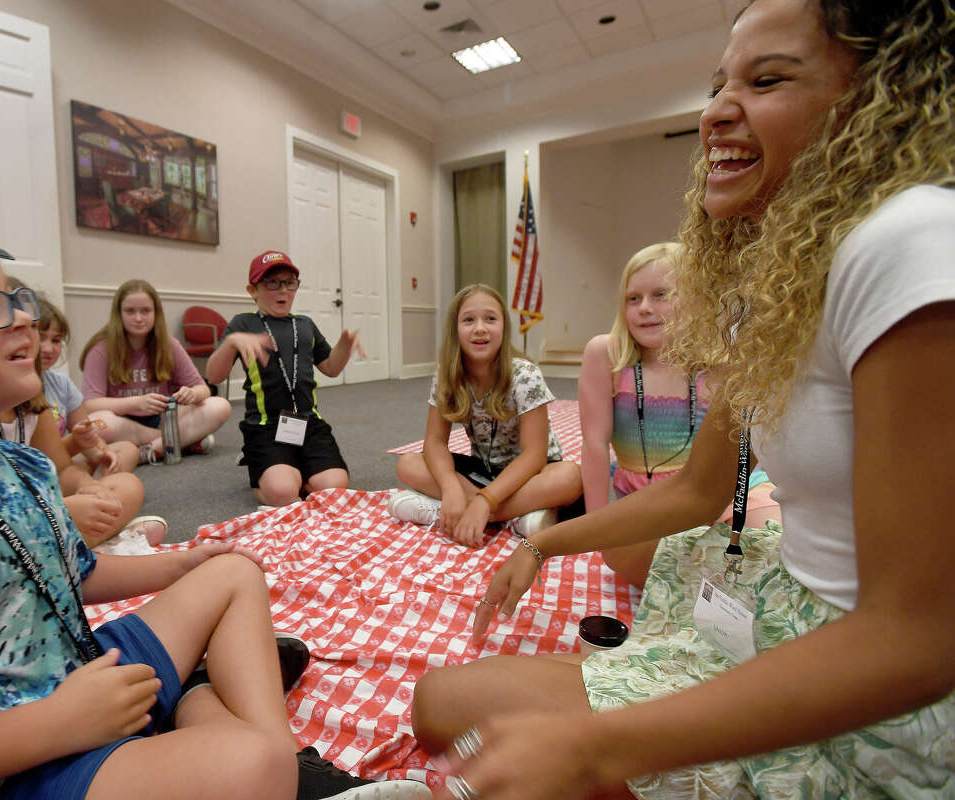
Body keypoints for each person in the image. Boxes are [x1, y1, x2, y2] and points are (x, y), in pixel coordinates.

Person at [411, 1, 955, 798]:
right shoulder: (783, 288)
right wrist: (538, 547)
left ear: (877, 97)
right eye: (717, 85)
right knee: (439, 703)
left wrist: (597, 748)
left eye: (765, 79)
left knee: (526, 761)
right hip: (774, 622)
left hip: (875, 699)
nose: (715, 114)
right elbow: (701, 491)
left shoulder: (908, 240)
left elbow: (921, 639)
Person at [0, 200, 431, 800]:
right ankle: (251, 744)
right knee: (247, 767)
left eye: (14, 294)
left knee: (233, 572)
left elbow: (66, 570)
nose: (22, 317)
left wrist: (177, 567)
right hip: (15, 762)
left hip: (78, 672)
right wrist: (50, 726)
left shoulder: (18, 462)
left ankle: (258, 743)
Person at [577, 243, 779, 587]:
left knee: (772, 548)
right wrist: (594, 529)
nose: (645, 309)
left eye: (661, 295)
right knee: (632, 562)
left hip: (719, 491)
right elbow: (594, 443)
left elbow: (742, 453)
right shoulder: (608, 355)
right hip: (650, 498)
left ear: (697, 299)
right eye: (633, 299)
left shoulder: (719, 364)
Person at [387, 284, 582, 544]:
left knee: (570, 477)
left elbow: (534, 456)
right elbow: (434, 442)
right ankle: (517, 517)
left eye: (490, 319)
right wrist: (451, 487)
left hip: (533, 473)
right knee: (408, 463)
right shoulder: (446, 376)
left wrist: (484, 500)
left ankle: (465, 511)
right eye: (469, 320)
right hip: (484, 472)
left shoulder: (525, 375)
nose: (480, 328)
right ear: (455, 330)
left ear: (503, 328)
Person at [204, 250, 363, 508]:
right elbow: (213, 375)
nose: (283, 291)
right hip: (265, 426)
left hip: (308, 423)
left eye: (289, 283)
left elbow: (331, 368)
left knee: (335, 489)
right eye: (272, 283)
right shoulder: (243, 323)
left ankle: (293, 467)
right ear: (252, 290)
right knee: (282, 493)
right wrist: (231, 343)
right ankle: (269, 466)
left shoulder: (305, 324)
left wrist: (344, 347)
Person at [0, 328, 163, 549]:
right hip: (8, 518)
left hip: (44, 496)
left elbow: (62, 468)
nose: (45, 347)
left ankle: (78, 545)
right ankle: (88, 547)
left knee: (129, 485)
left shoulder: (35, 405)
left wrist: (89, 487)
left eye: (55, 340)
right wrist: (59, 510)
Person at [80, 279, 230, 464]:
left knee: (220, 406)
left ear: (155, 313)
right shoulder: (101, 348)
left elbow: (203, 389)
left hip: (165, 417)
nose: (138, 318)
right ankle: (176, 442)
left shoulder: (169, 344)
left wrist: (192, 394)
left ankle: (148, 450)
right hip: (123, 420)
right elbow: (90, 405)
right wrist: (137, 403)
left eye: (145, 311)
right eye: (130, 311)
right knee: (97, 424)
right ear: (118, 313)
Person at [37, 297, 140, 476]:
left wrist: (101, 453)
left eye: (55, 341)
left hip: (66, 461)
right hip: (38, 469)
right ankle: (96, 494)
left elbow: (87, 432)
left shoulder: (61, 383)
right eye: (41, 338)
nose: (48, 349)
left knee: (127, 450)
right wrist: (76, 444)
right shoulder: (17, 392)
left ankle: (95, 492)